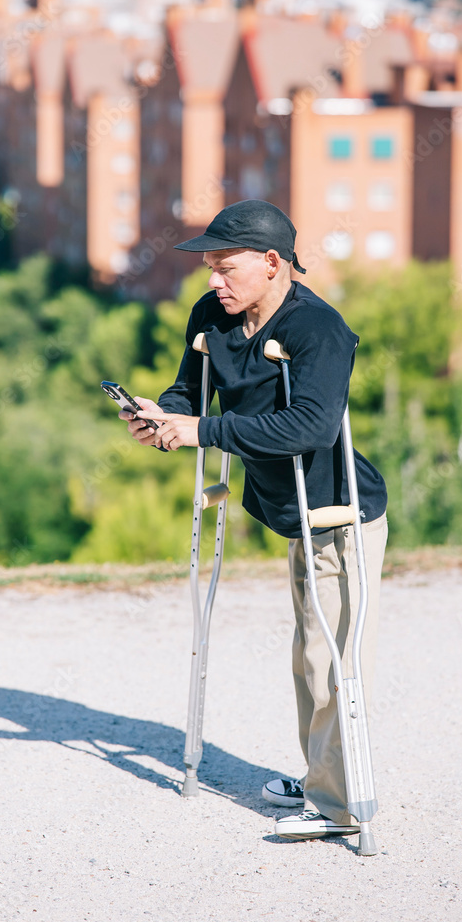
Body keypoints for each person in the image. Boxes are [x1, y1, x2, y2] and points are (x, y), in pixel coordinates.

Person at [120, 200, 388, 840]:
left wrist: (203, 431)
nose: (212, 281)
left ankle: (342, 806)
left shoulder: (318, 330)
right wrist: (165, 417)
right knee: (305, 659)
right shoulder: (214, 315)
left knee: (332, 661)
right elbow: (193, 393)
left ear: (272, 264)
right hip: (287, 510)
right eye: (208, 267)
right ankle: (322, 777)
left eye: (224, 266)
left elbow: (312, 426)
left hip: (338, 510)